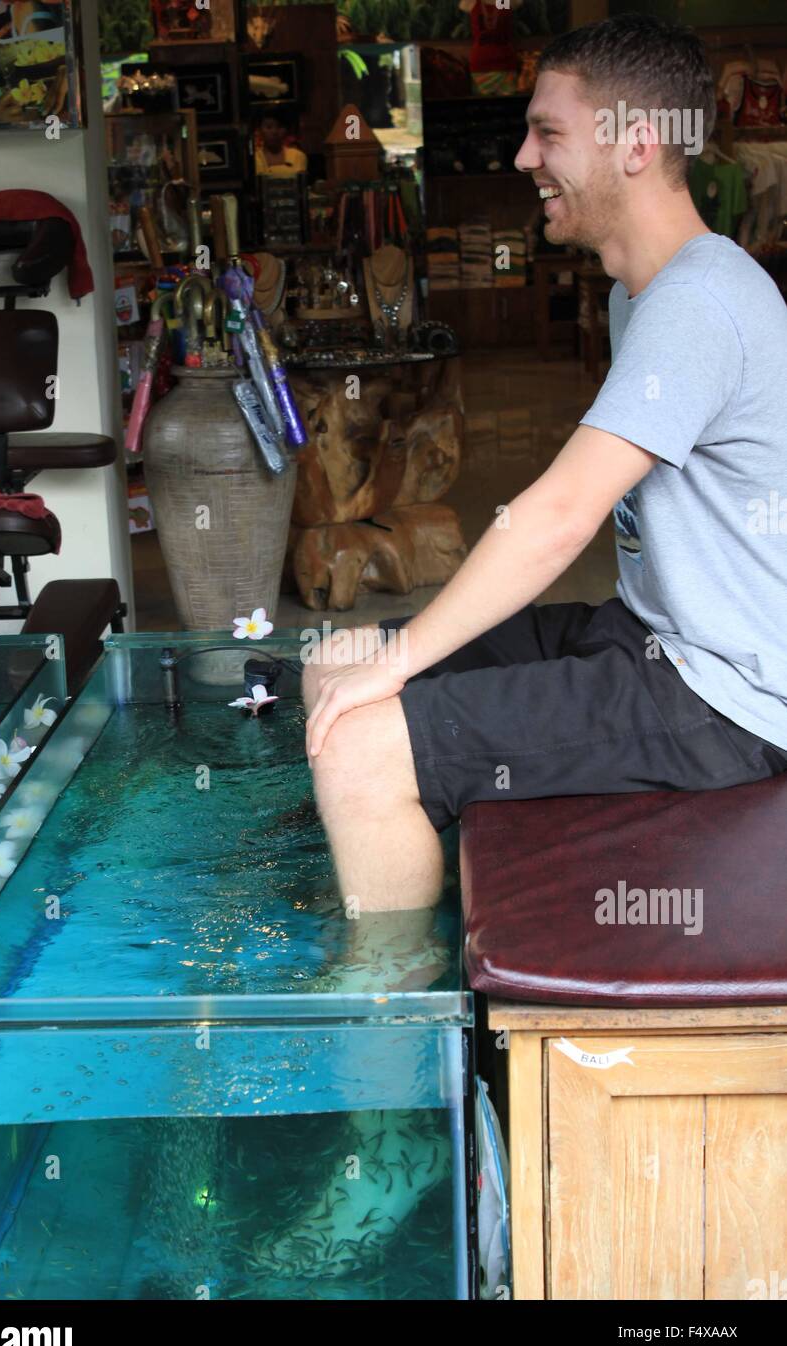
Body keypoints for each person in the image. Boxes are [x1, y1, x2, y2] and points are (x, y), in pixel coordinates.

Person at [303, 13, 787, 930]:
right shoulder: (636, 291)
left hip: (727, 697)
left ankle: (398, 1021)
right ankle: (406, 876)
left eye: (549, 133)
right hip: (654, 636)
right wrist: (385, 661)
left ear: (638, 145)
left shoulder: (700, 304)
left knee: (360, 745)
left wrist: (403, 663)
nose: (524, 157)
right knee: (337, 663)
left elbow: (560, 516)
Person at [253, 111, 307, 178]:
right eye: (269, 127)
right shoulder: (254, 159)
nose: (274, 131)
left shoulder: (298, 156)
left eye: (279, 127)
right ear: (260, 130)